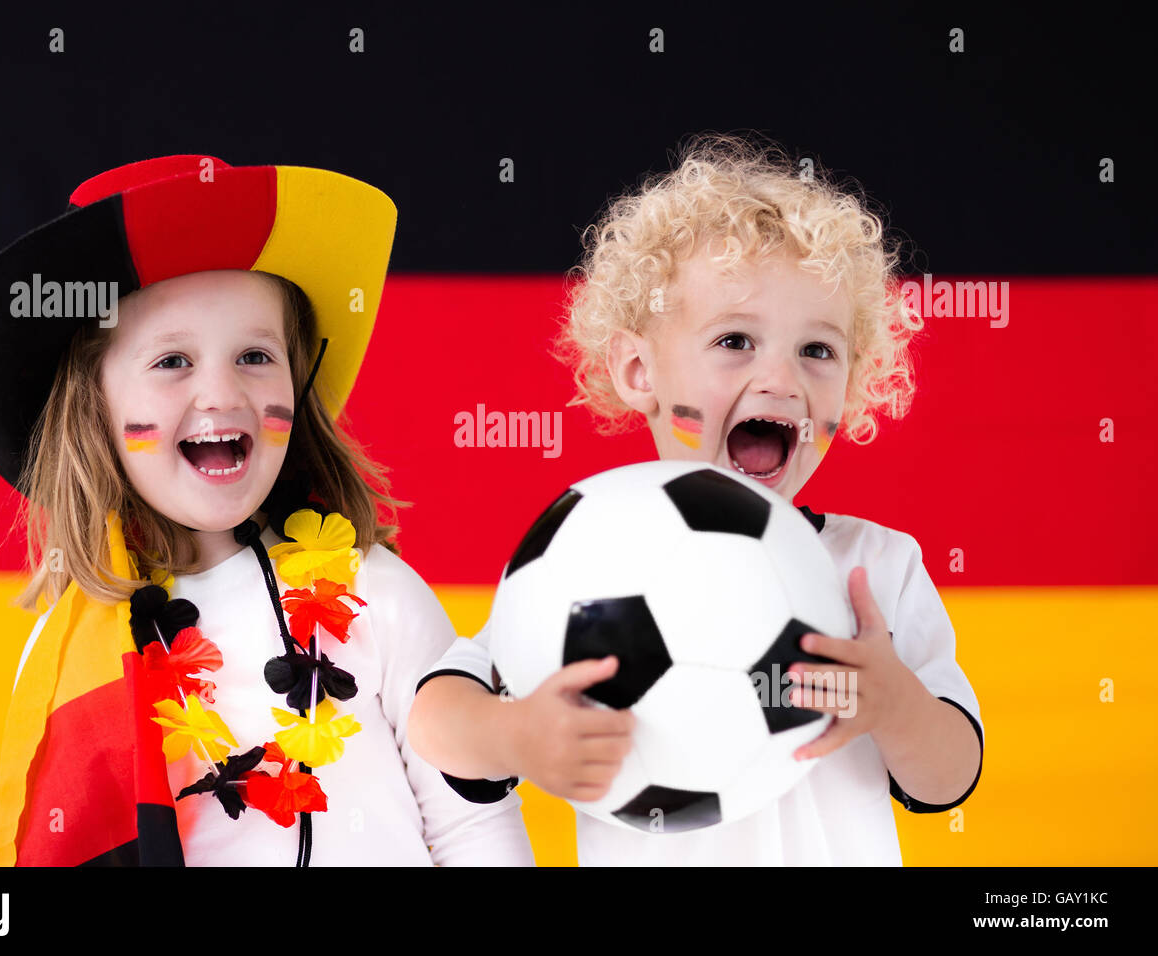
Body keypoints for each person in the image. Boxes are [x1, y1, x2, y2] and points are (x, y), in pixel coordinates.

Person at [407, 134, 983, 865]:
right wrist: (517, 735)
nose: (780, 379)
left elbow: (950, 776)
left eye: (818, 350)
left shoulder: (875, 567)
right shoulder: (587, 556)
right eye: (736, 340)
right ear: (640, 370)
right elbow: (434, 718)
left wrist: (897, 706)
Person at [0, 154, 533, 866]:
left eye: (255, 356)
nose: (222, 395)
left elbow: (474, 825)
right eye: (172, 362)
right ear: (92, 409)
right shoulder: (64, 658)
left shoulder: (374, 592)